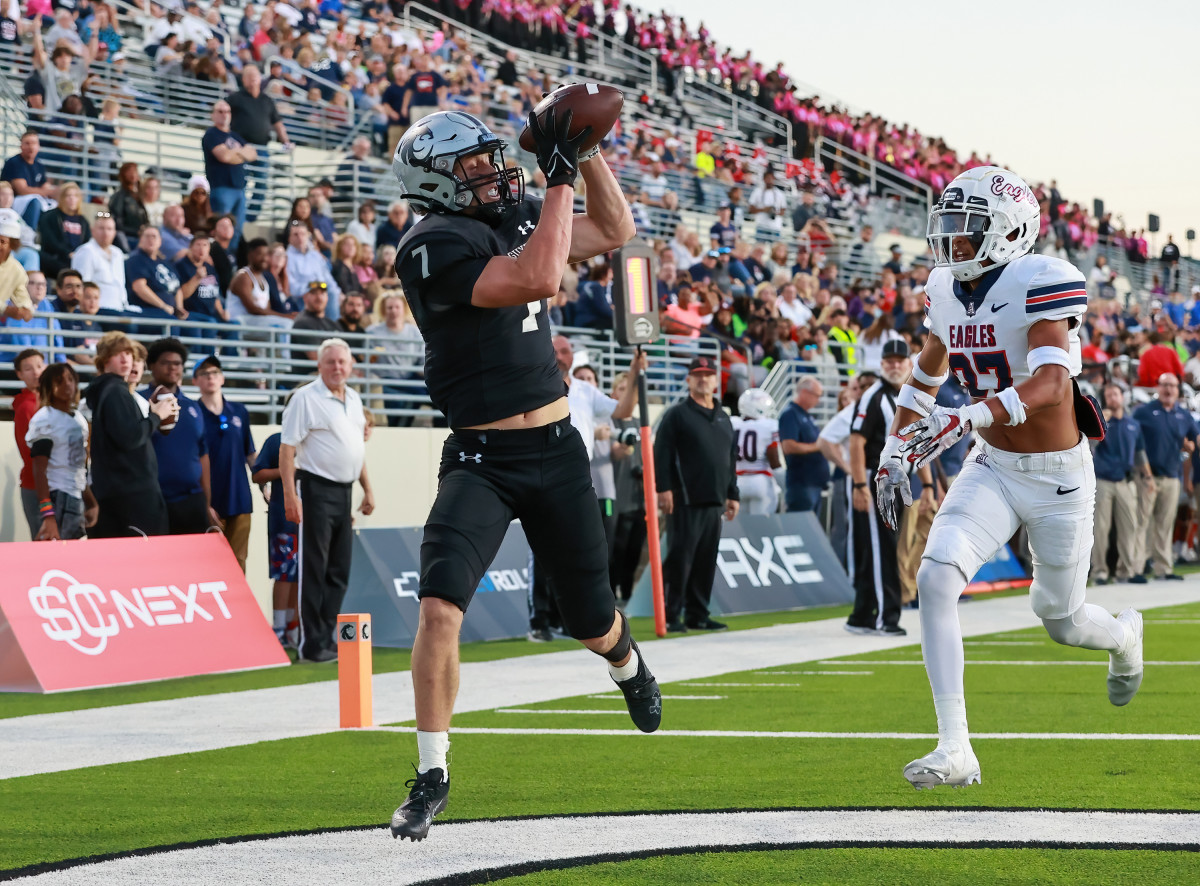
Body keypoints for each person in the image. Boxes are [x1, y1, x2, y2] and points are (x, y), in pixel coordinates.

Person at [389, 109, 660, 840]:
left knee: (590, 621)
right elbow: (540, 271)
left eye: (488, 159)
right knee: (440, 606)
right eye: (472, 166)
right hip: (481, 458)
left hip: (557, 451)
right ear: (433, 182)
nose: (492, 171)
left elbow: (615, 232)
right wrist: (559, 171)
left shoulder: (505, 213)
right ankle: (432, 772)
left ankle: (626, 662)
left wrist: (586, 148)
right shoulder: (430, 244)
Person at [876, 166, 1144, 791]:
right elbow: (924, 376)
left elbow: (1053, 385)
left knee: (1060, 616)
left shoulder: (1038, 281)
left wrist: (966, 416)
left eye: (966, 229)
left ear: (1007, 232)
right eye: (948, 227)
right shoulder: (944, 288)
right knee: (937, 578)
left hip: (1058, 477)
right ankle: (955, 749)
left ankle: (1125, 636)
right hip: (993, 466)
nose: (952, 241)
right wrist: (894, 452)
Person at [279, 338, 374, 662]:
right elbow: (287, 449)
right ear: (319, 365)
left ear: (350, 366)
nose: (337, 367)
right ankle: (311, 643)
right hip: (316, 489)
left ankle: (327, 637)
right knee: (315, 567)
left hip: (344, 491)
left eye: (342, 362)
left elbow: (355, 449)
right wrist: (291, 495)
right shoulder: (305, 398)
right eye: (330, 362)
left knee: (339, 569)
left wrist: (368, 489)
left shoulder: (354, 399)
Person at [654, 355, 739, 633]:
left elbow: (730, 458)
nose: (703, 379)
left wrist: (732, 492)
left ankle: (698, 613)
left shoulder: (723, 416)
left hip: (715, 498)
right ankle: (670, 614)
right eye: (697, 374)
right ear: (689, 379)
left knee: (705, 560)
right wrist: (663, 488)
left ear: (716, 380)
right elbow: (662, 452)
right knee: (680, 558)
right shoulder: (677, 414)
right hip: (685, 497)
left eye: (708, 374)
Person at [848, 339, 927, 638]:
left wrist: (929, 483)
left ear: (909, 363)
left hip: (897, 479)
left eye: (900, 360)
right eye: (889, 361)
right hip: (877, 479)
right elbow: (856, 441)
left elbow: (916, 442)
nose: (895, 365)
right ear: (881, 364)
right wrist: (859, 484)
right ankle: (886, 617)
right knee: (883, 552)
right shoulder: (874, 396)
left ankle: (861, 615)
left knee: (879, 550)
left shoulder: (906, 397)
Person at [85, 331, 176, 538]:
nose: (126, 359)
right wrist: (156, 416)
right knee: (144, 563)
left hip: (117, 493)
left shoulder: (106, 390)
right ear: (104, 359)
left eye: (128, 353)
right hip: (132, 497)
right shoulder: (116, 391)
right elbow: (130, 437)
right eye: (118, 353)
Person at [141, 337, 221, 535]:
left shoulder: (193, 407)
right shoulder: (140, 402)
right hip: (151, 500)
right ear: (151, 366)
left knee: (192, 564)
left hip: (190, 501)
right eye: (165, 363)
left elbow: (203, 456)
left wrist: (207, 503)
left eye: (177, 364)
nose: (172, 368)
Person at [194, 356, 256, 571]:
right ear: (195, 381)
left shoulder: (239, 411)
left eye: (214, 373)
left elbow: (250, 454)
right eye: (204, 373)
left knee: (238, 562)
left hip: (239, 498)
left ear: (222, 378)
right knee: (208, 564)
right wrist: (203, 503)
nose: (210, 377)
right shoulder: (193, 413)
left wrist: (265, 485)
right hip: (208, 501)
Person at [1132, 373, 1196, 581]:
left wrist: (1191, 446)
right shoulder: (1144, 412)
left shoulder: (1183, 415)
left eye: (1172, 386)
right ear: (1158, 387)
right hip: (1147, 477)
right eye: (1165, 385)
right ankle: (1137, 568)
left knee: (1165, 524)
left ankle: (1163, 568)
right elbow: (1131, 435)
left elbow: (1194, 440)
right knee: (1142, 523)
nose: (1168, 389)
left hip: (1171, 476)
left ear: (1178, 390)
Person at [27, 362, 96, 540]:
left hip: (76, 496)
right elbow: (39, 469)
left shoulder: (79, 418)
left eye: (71, 379)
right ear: (49, 387)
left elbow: (78, 468)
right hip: (56, 496)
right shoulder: (45, 418)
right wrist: (48, 514)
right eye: (59, 381)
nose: (67, 385)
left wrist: (91, 502)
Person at [1091, 384, 1151, 586]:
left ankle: (1127, 571)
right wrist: (1100, 423)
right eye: (1108, 395)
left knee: (1129, 527)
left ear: (1122, 397)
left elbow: (1140, 453)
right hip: (1104, 480)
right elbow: (1090, 447)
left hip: (1126, 480)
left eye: (1115, 394)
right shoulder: (1101, 422)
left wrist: (1148, 477)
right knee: (1100, 528)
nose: (1112, 398)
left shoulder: (1133, 424)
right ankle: (1099, 571)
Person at [252, 427, 300, 648]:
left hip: (315, 521)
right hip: (283, 518)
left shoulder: (318, 439)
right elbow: (258, 474)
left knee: (302, 576)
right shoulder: (277, 440)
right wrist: (287, 469)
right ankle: (279, 629)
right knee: (284, 574)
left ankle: (294, 628)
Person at [364, 291, 423, 426]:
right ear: (383, 310)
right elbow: (367, 360)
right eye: (389, 308)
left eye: (397, 307)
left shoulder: (414, 331)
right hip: (386, 381)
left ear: (404, 309)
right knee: (400, 400)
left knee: (433, 395)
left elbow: (422, 359)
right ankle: (399, 428)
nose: (393, 311)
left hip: (410, 379)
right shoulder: (373, 332)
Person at [202, 99, 256, 244]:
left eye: (227, 111)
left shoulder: (236, 136)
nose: (224, 115)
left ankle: (232, 258)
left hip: (239, 188)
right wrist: (240, 154)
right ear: (213, 115)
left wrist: (233, 153)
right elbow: (224, 156)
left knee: (237, 229)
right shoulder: (211, 135)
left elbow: (252, 154)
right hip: (221, 188)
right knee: (222, 227)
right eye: (220, 111)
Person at [778, 376, 828, 512]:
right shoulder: (790, 414)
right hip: (802, 484)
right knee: (801, 528)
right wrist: (817, 447)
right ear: (805, 392)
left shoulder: (805, 415)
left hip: (813, 483)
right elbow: (788, 446)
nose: (818, 400)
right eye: (816, 396)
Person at [730, 387, 782, 515]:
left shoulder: (732, 423)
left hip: (737, 481)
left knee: (739, 528)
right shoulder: (768, 425)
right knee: (761, 527)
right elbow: (774, 460)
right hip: (760, 480)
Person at [12, 348, 45, 537]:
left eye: (39, 366)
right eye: (29, 369)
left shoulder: (49, 401)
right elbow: (29, 452)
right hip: (37, 487)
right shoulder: (26, 407)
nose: (36, 372)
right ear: (19, 374)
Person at [71, 212, 128, 314]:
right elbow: (82, 285)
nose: (106, 233)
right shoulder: (86, 252)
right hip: (98, 308)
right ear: (93, 231)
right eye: (101, 228)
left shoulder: (118, 253)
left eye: (109, 229)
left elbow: (121, 284)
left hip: (120, 307)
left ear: (114, 232)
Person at [36, 181, 88, 280]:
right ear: (62, 198)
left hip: (77, 260)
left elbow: (87, 242)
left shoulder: (83, 221)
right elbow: (49, 240)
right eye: (68, 195)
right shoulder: (50, 216)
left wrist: (78, 255)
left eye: (75, 196)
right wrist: (67, 253)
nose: (72, 199)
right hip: (56, 259)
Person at [108, 163, 148, 251]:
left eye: (135, 171)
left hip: (140, 237)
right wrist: (135, 231)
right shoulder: (119, 197)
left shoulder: (138, 197)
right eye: (129, 171)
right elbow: (116, 222)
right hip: (128, 238)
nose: (133, 174)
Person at [0, 219, 33, 322]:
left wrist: (26, 309)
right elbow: (5, 309)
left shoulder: (17, 270)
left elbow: (21, 295)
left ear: (12, 246)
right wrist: (5, 309)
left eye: (2, 242)